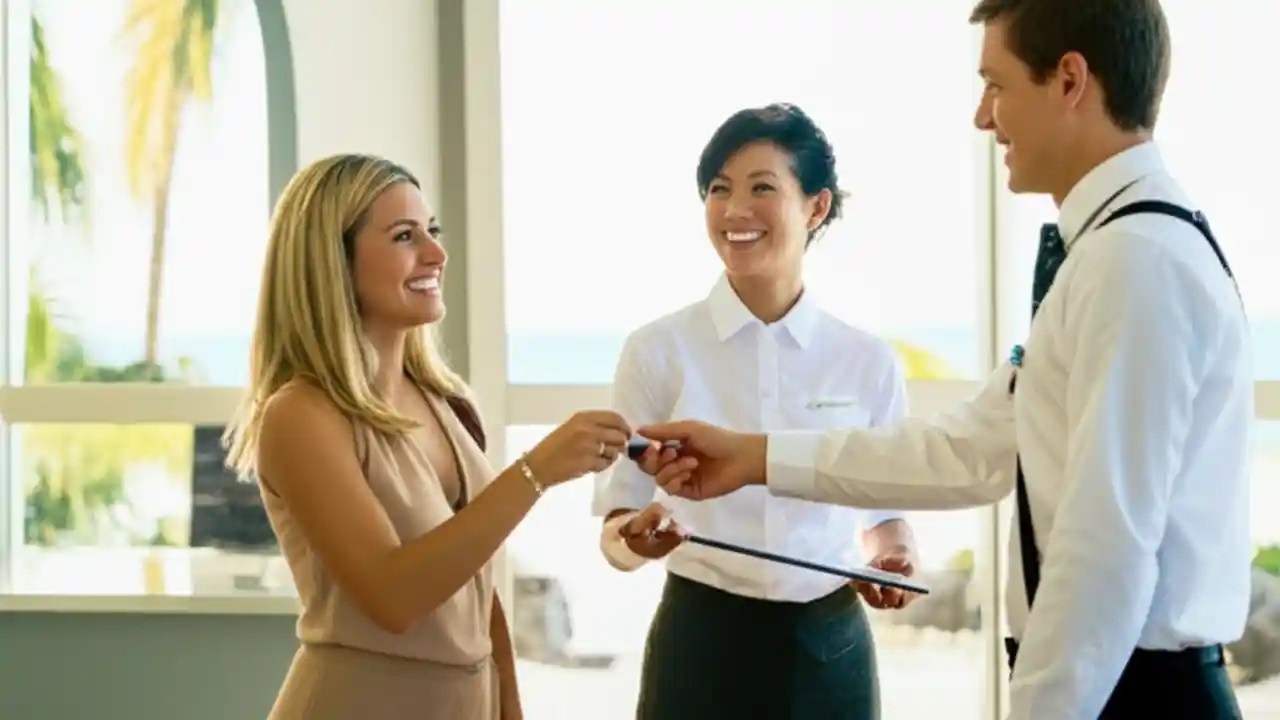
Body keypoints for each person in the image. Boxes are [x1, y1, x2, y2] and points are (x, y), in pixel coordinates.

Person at [633, 2, 1252, 718]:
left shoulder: (1135, 262)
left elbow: (1102, 554)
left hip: (1137, 697)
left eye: (996, 84)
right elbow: (968, 450)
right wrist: (752, 456)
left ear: (1070, 80)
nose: (983, 117)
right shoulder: (1115, 252)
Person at [222, 153, 632, 720]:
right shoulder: (300, 416)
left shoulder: (446, 401)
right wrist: (535, 473)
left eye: (432, 231)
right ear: (332, 262)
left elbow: (478, 588)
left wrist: (509, 707)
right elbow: (395, 598)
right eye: (404, 236)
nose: (436, 254)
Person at [595, 103, 920, 720]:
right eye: (718, 190)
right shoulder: (658, 350)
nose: (733, 210)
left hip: (832, 649)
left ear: (816, 207)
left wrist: (892, 557)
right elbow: (617, 526)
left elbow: (887, 512)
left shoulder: (867, 360)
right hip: (700, 643)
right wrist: (637, 539)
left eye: (761, 188)